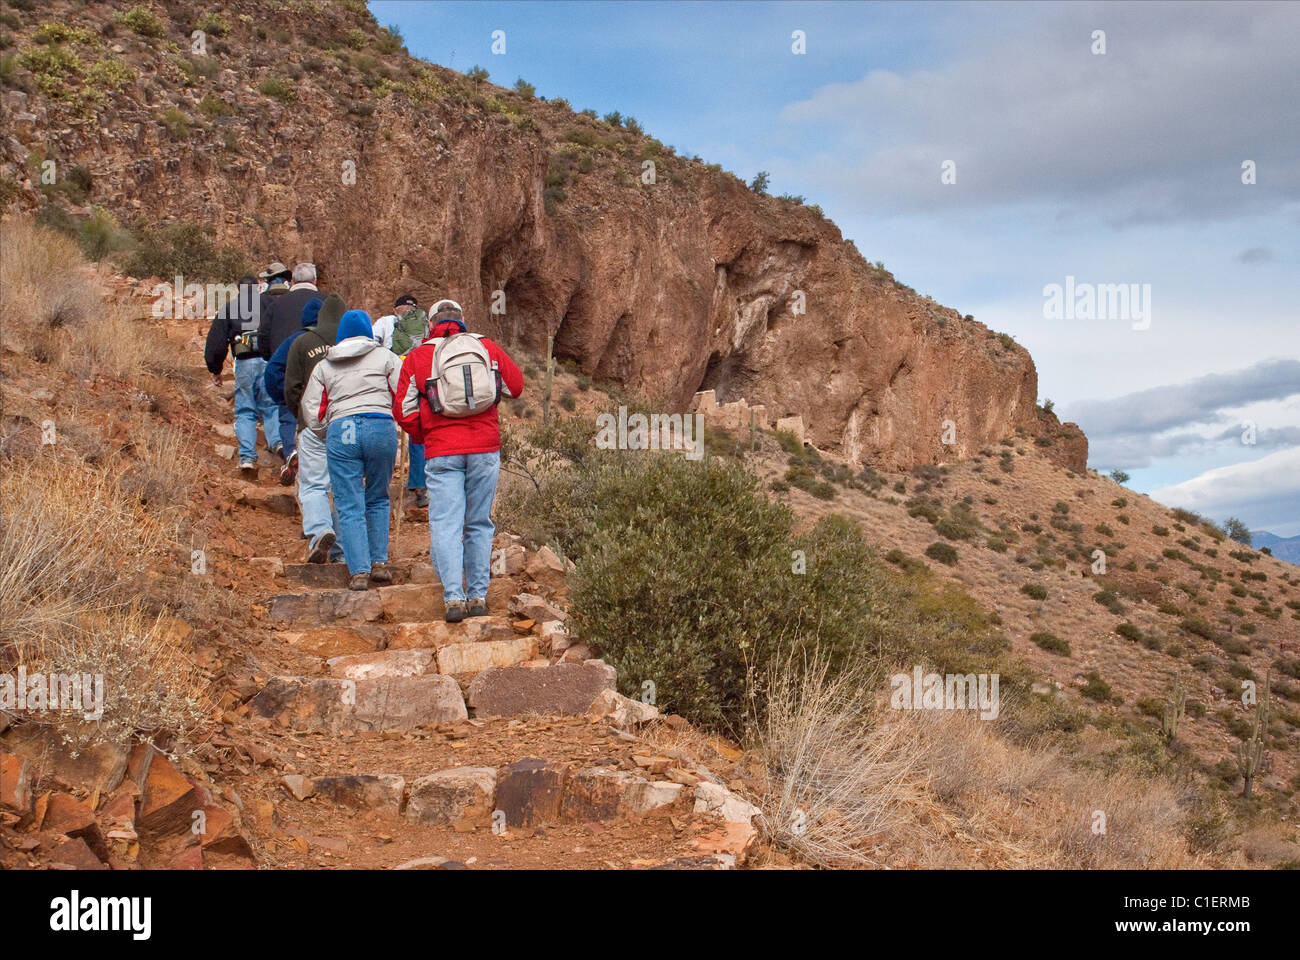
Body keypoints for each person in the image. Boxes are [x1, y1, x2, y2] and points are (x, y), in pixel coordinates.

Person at [393, 300, 522, 622]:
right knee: (478, 523)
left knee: (446, 524)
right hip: (484, 448)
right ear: (463, 320)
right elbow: (515, 387)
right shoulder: (486, 347)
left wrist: (424, 435)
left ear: (431, 323)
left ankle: (453, 597)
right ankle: (478, 596)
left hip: (442, 451)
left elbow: (403, 411)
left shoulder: (420, 356)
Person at [303, 310, 401, 590]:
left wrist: (326, 432)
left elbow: (312, 410)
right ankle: (379, 563)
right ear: (368, 333)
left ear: (341, 335)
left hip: (341, 429)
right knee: (379, 497)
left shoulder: (324, 365)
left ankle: (359, 571)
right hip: (379, 426)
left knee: (348, 502)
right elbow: (402, 393)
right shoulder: (386, 357)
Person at [283, 294, 346, 564]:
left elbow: (291, 387)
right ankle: (346, 552)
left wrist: (300, 413)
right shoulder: (354, 344)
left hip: (312, 426)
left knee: (313, 486)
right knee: (345, 488)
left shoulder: (302, 342)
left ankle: (321, 530)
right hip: (347, 425)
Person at [204, 274, 278, 477]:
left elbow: (216, 343)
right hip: (269, 361)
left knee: (245, 410)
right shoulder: (270, 304)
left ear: (239, 290)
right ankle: (278, 445)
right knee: (272, 406)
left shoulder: (230, 308)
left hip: (244, 363)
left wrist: (215, 369)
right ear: (258, 288)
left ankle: (247, 457)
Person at [259, 262, 321, 486]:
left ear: (292, 282)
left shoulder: (277, 303)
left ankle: (292, 451)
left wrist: (270, 358)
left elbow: (263, 336)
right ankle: (318, 459)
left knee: (287, 414)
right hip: (320, 371)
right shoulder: (325, 303)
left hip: (284, 367)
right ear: (315, 281)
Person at [373, 294, 431, 508]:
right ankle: (419, 487)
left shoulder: (385, 322)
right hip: (416, 381)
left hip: (389, 381)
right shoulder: (424, 324)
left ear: (395, 308)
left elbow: (372, 344)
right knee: (417, 431)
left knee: (384, 427)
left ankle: (379, 484)